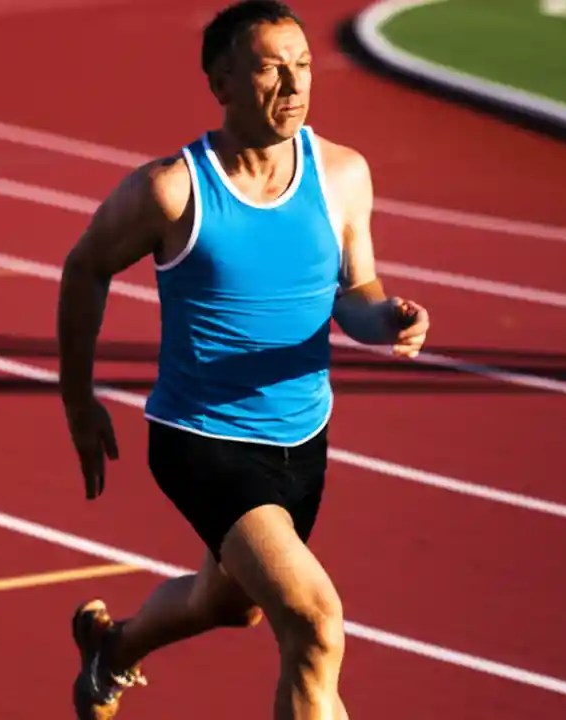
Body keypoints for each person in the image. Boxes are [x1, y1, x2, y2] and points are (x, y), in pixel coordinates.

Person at [55, 2, 430, 718]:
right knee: (315, 626)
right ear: (221, 83)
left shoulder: (343, 174)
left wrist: (388, 320)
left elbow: (355, 292)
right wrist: (78, 398)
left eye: (304, 66)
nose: (294, 84)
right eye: (270, 68)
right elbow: (85, 267)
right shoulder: (174, 190)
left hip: (302, 439)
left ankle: (113, 651)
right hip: (204, 441)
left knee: (229, 604)